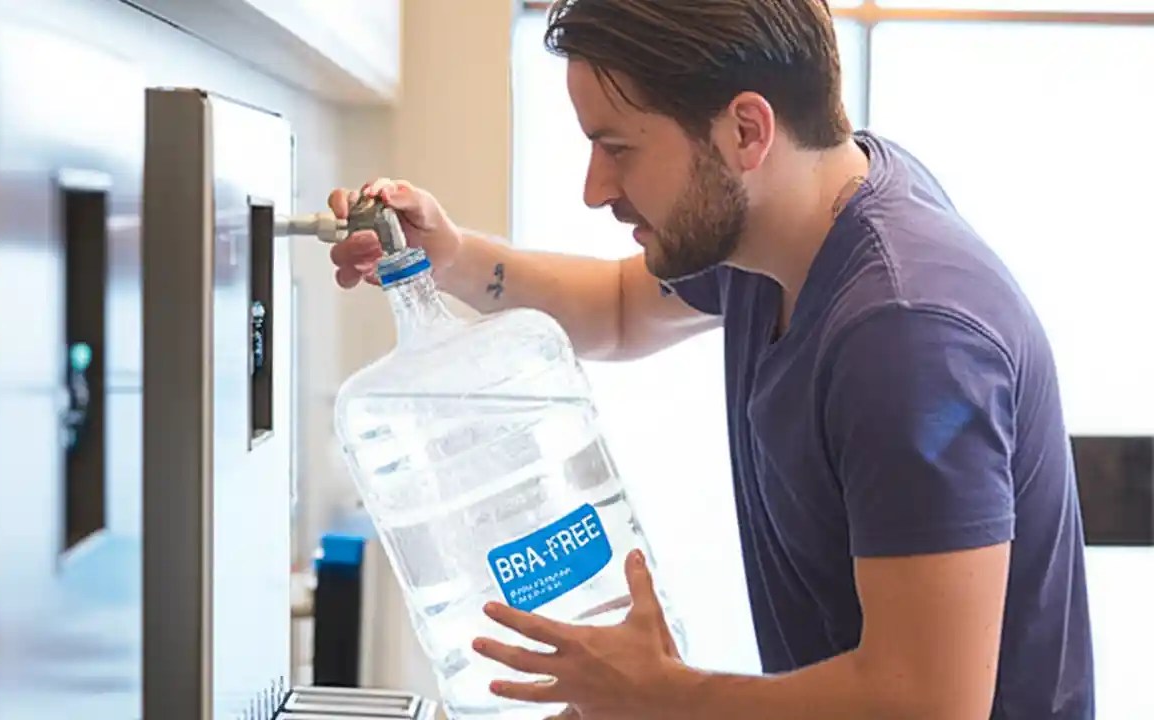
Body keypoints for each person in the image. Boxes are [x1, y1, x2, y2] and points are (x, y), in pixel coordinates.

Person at [326, 0, 1095, 717]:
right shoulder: (791, 226)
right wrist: (450, 256)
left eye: (617, 148)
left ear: (746, 132)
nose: (595, 189)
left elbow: (928, 702)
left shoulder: (906, 334)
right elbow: (622, 310)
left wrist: (664, 695)